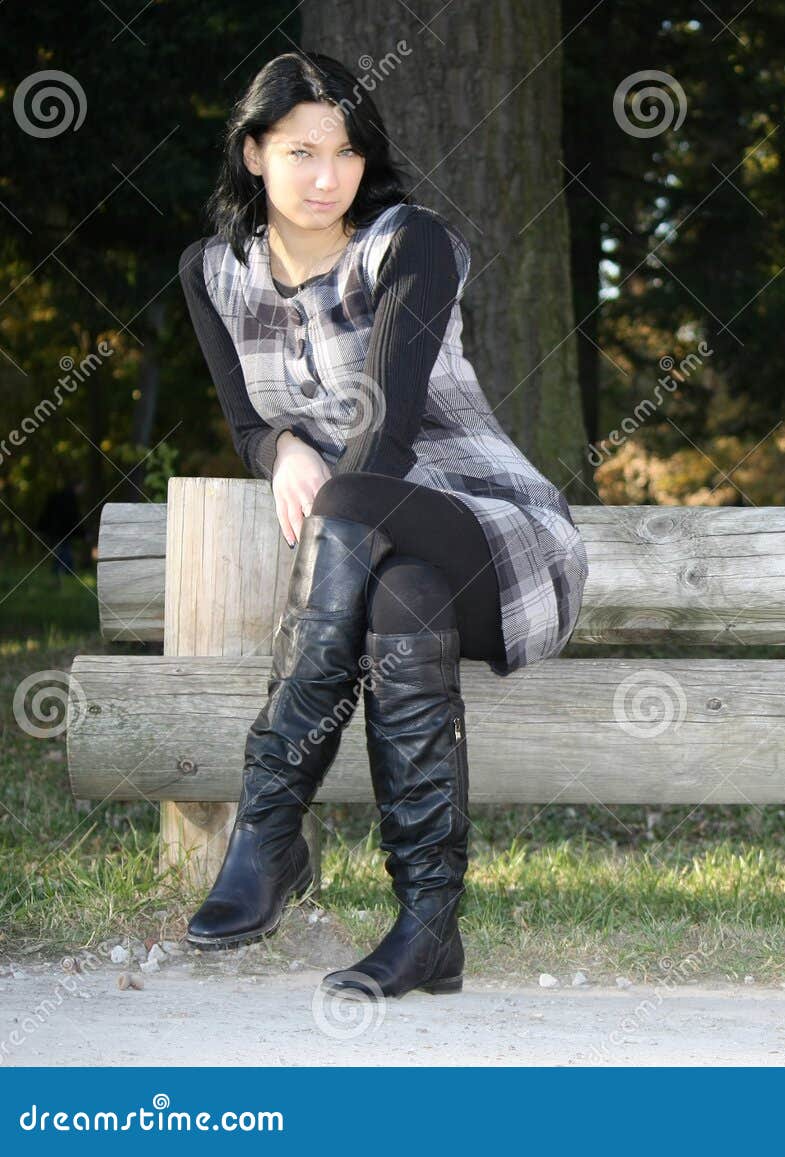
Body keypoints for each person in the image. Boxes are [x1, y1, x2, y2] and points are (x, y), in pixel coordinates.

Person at [176, 50, 588, 1001]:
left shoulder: (411, 243)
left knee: (357, 504)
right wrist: (282, 449)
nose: (328, 177)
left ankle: (267, 829)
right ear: (252, 153)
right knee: (404, 609)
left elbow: (388, 435)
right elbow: (246, 419)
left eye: (349, 153)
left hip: (495, 535)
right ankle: (428, 926)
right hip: (385, 558)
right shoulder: (213, 274)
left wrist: (328, 496)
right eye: (301, 152)